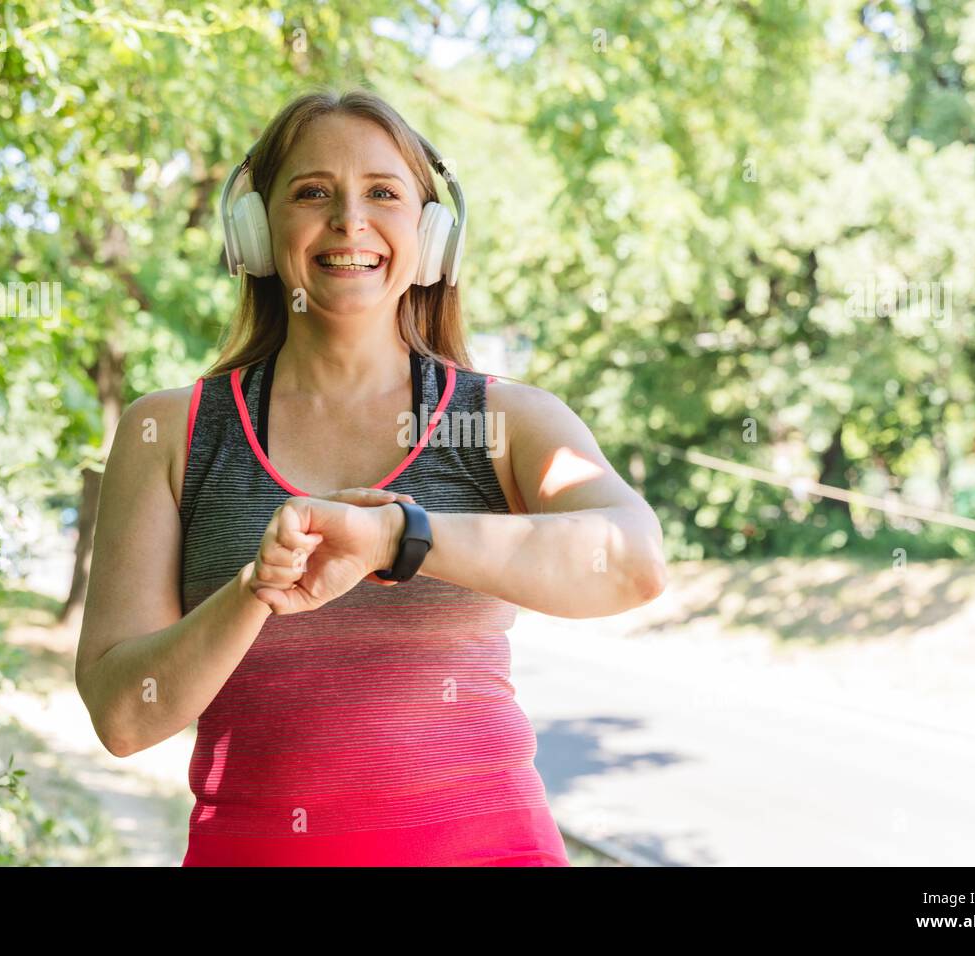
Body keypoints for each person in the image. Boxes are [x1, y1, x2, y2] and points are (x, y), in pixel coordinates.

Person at [74, 87, 669, 866]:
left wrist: (398, 535)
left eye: (383, 193)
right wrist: (256, 588)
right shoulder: (168, 433)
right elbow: (124, 718)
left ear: (432, 236)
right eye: (312, 192)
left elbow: (631, 563)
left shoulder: (505, 421)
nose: (349, 220)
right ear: (254, 232)